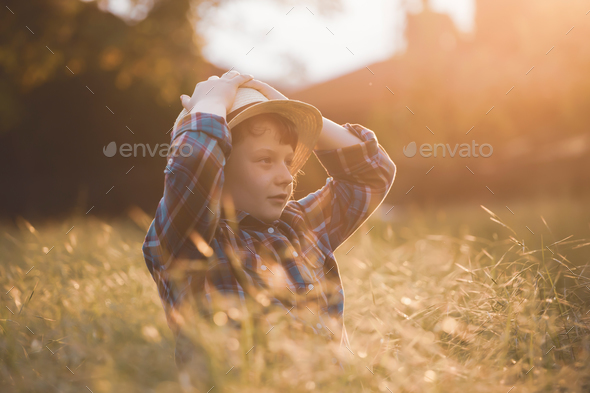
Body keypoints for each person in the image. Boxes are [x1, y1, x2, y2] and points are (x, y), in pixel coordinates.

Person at [142, 70, 396, 390]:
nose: (286, 177)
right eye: (265, 160)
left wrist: (288, 106)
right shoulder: (188, 238)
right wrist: (214, 100)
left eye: (287, 161)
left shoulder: (297, 225)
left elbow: (371, 172)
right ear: (220, 166)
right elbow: (194, 165)